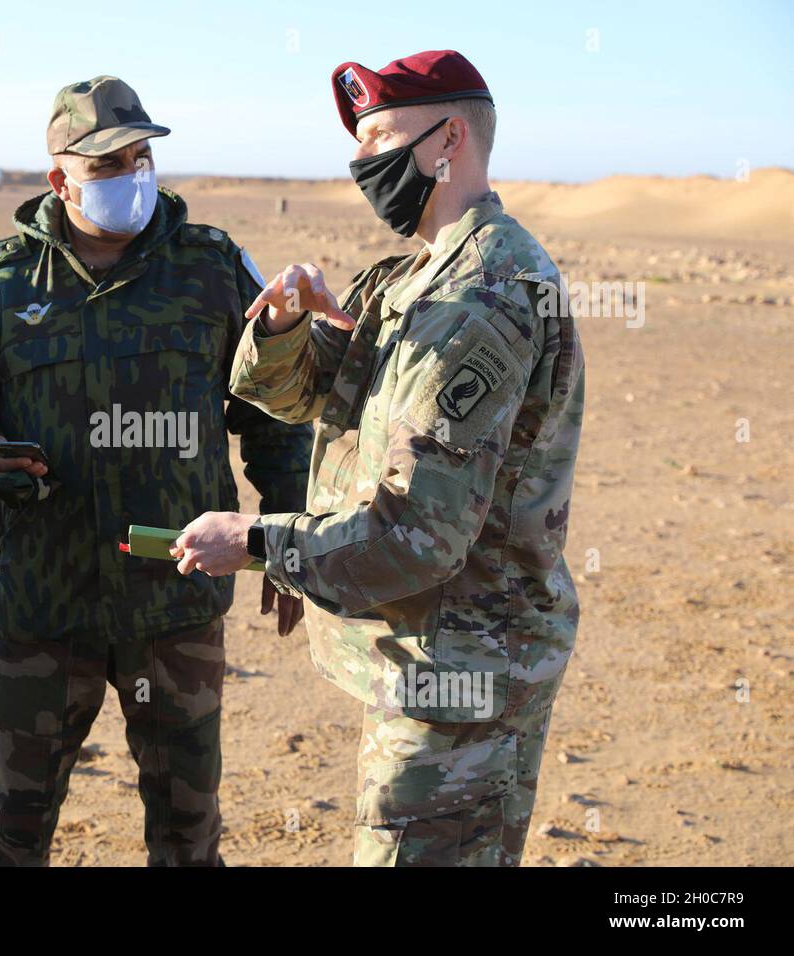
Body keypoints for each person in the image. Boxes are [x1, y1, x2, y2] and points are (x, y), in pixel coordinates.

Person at [173, 50, 585, 866]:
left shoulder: (482, 296)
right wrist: (291, 326)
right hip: (425, 657)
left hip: (463, 675)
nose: (365, 164)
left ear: (449, 140)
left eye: (382, 138)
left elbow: (416, 536)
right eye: (359, 145)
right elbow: (307, 400)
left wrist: (257, 543)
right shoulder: (414, 279)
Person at [0, 75, 312, 866]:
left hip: (176, 599)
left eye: (140, 154)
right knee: (17, 825)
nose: (131, 173)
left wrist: (282, 532)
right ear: (60, 179)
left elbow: (271, 409)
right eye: (107, 163)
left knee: (188, 825)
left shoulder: (210, 268)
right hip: (40, 605)